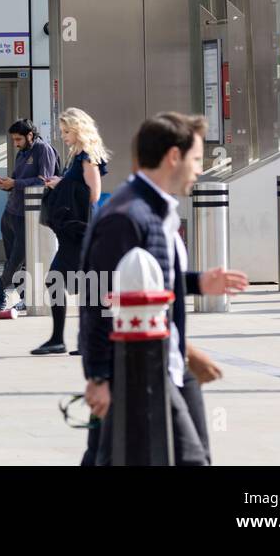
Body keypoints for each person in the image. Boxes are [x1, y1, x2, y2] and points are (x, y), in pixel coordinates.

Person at [79, 112, 249, 466]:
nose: (199, 169)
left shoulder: (154, 212)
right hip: (135, 372)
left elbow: (149, 283)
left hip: (166, 364)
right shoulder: (126, 217)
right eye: (197, 159)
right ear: (174, 156)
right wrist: (98, 377)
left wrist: (199, 282)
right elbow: (97, 299)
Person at [31, 107, 108, 355]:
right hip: (74, 230)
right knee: (81, 283)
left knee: (70, 281)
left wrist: (63, 183)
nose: (63, 135)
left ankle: (74, 340)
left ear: (78, 130)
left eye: (66, 131)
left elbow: (93, 193)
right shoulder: (77, 155)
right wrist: (61, 183)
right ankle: (76, 340)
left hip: (81, 229)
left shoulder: (87, 156)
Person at [0, 119, 58, 313]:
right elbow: (17, 180)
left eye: (18, 139)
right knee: (13, 261)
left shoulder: (43, 150)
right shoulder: (21, 153)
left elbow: (43, 181)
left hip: (27, 215)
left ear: (30, 135)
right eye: (13, 139)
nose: (16, 143)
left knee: (17, 259)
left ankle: (0, 284)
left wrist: (14, 183)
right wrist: (6, 184)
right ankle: (24, 298)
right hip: (10, 212)